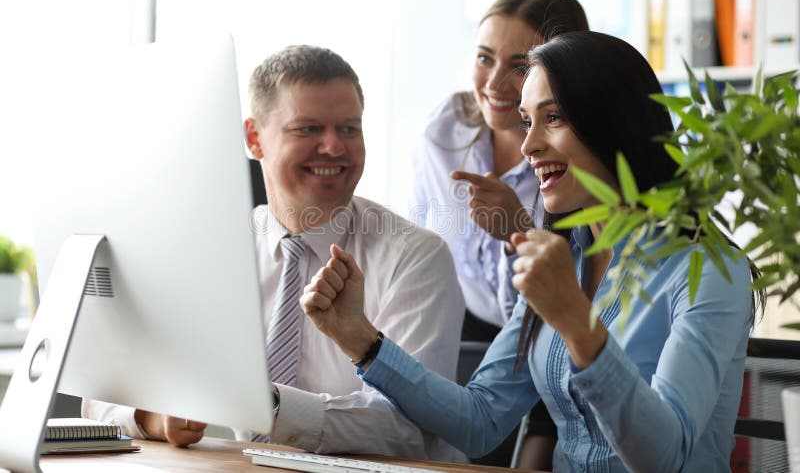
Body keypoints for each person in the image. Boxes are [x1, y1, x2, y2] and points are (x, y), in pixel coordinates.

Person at [302, 32, 762, 471]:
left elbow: (664, 458)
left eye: (553, 118)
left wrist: (575, 321)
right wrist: (361, 340)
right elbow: (479, 420)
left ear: (614, 122)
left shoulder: (709, 270)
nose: (528, 146)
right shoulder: (565, 258)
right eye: (526, 122)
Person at [83, 45, 466, 461]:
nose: (334, 147)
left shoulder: (416, 259)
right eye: (308, 129)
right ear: (254, 138)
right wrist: (156, 417)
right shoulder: (213, 250)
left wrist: (270, 406)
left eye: (350, 129)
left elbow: (408, 428)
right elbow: (102, 395)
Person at [409, 0, 589, 341]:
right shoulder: (443, 132)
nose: (493, 83)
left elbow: (566, 306)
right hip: (455, 327)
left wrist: (517, 231)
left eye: (519, 66)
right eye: (484, 58)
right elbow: (416, 240)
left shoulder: (581, 160)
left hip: (545, 338)